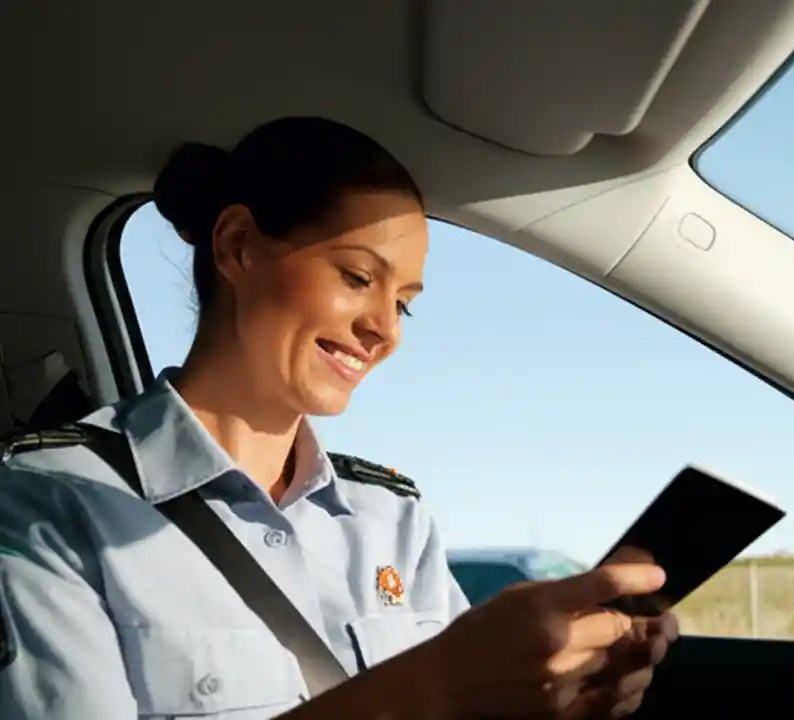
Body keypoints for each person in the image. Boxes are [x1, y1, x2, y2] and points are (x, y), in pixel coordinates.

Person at [0, 116, 678, 719]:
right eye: (357, 277)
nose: (386, 330)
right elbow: (438, 693)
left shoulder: (393, 519)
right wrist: (433, 688)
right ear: (237, 246)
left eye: (404, 303)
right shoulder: (45, 505)